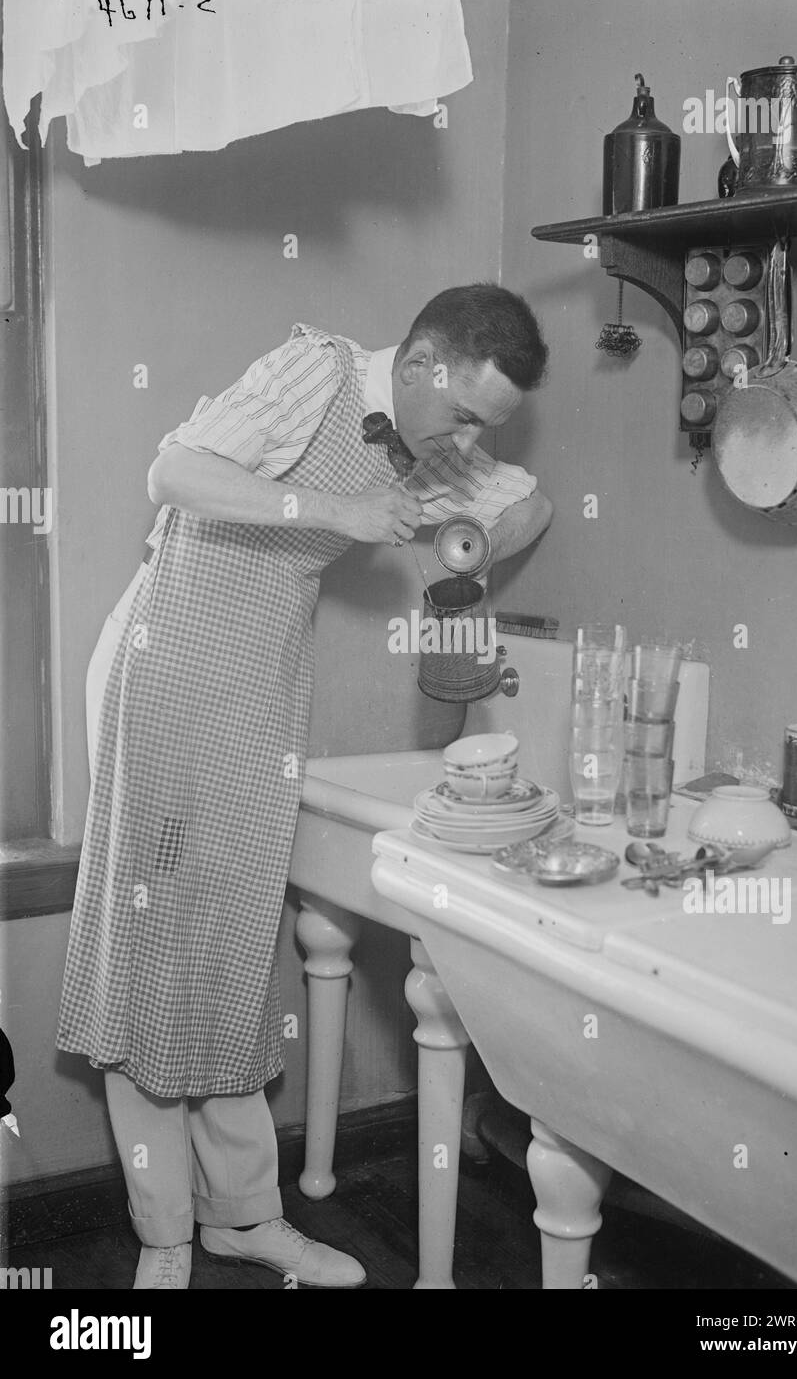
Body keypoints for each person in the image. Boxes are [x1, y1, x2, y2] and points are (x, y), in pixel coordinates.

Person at [56, 283, 552, 1289]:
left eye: (484, 426)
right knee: (152, 955)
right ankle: (164, 1237)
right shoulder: (311, 372)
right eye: (463, 413)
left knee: (237, 946)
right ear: (419, 363)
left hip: (262, 675)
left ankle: (244, 1217)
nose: (467, 439)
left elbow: (528, 502)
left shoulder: (435, 437)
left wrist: (463, 547)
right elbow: (172, 469)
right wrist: (344, 509)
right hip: (170, 654)